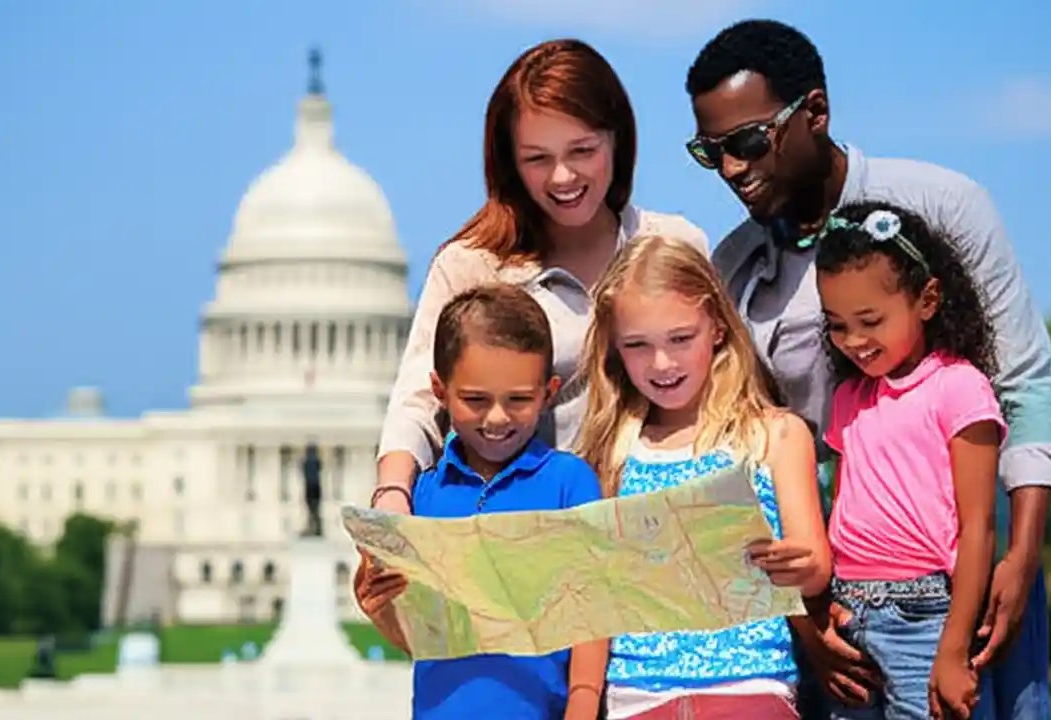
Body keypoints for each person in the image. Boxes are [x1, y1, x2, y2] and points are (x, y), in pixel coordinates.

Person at [684, 20, 1051, 719]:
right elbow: (751, 456)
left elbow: (1027, 384)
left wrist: (1024, 555)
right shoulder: (733, 269)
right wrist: (806, 618)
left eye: (747, 142)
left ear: (816, 113)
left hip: (972, 570)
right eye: (711, 154)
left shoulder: (945, 204)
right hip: (838, 594)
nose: (734, 168)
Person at [370, 38, 708, 516]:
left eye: (583, 150)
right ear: (510, 161)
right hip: (526, 534)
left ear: (618, 140)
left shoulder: (673, 244)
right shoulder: (471, 263)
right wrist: (392, 496)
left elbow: (726, 378)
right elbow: (419, 399)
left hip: (654, 528)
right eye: (537, 158)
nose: (563, 177)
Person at [575, 234, 831, 719]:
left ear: (716, 324)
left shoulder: (774, 435)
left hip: (751, 689)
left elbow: (816, 569)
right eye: (638, 346)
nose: (662, 363)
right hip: (635, 697)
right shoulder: (612, 453)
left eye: (680, 338)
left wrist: (793, 565)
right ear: (614, 347)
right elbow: (597, 596)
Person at [354, 284, 609, 719]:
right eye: (475, 400)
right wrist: (380, 611)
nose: (496, 418)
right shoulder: (422, 496)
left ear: (549, 392)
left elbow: (594, 610)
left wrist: (583, 704)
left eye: (519, 400)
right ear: (439, 389)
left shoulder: (570, 483)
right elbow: (425, 641)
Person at [817, 201, 1005, 719]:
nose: (854, 340)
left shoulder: (960, 387)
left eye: (870, 320)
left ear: (927, 300)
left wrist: (952, 647)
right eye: (836, 324)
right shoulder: (848, 398)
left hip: (924, 617)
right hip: (848, 613)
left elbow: (978, 528)